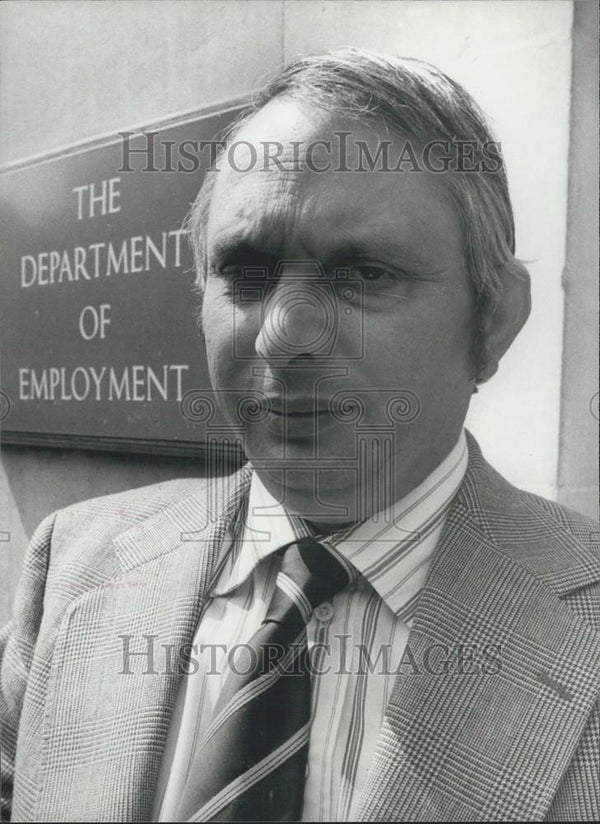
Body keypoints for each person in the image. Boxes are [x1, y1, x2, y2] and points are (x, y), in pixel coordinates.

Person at [1, 49, 598, 823]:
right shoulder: (75, 562)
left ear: (494, 320)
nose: (285, 335)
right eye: (246, 271)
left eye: (362, 275)